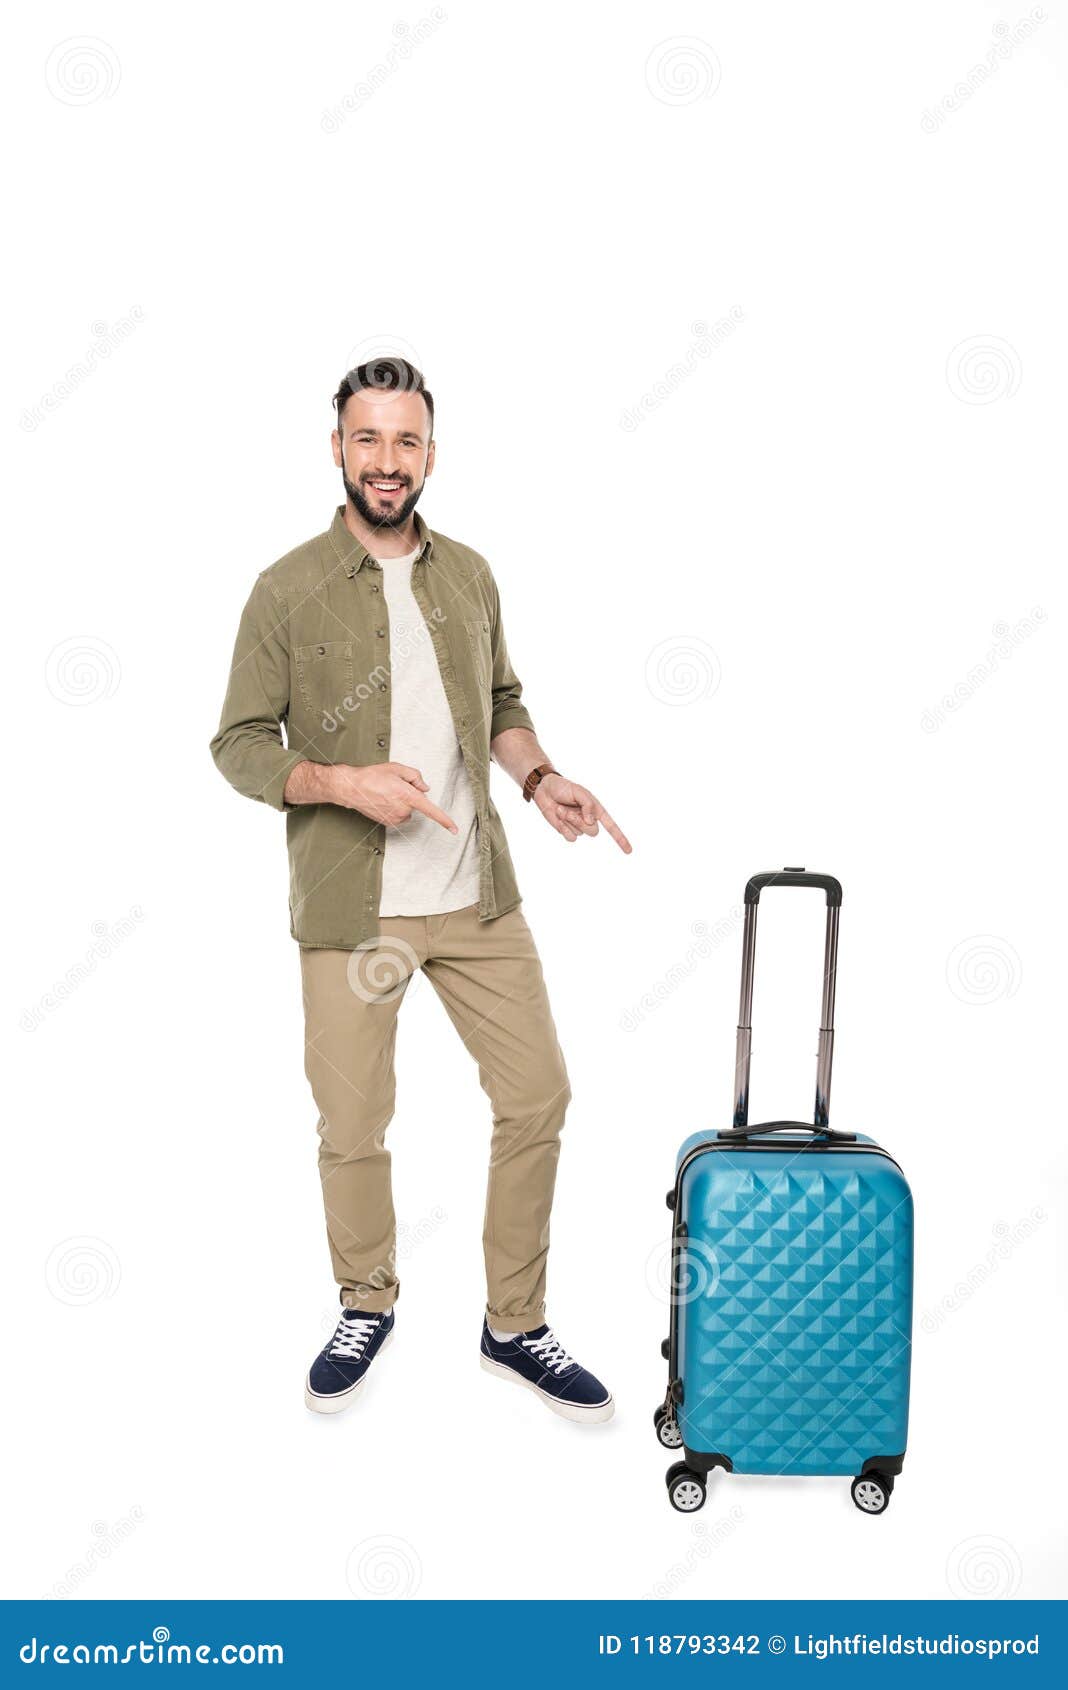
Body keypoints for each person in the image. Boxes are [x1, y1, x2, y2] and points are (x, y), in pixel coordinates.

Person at [210, 358, 631, 1421]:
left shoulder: (470, 575)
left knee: (538, 1095)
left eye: (406, 441)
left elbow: (502, 702)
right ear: (338, 449)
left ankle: (514, 1325)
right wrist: (342, 781)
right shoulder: (285, 587)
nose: (387, 461)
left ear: (431, 455)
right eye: (368, 439)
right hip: (353, 907)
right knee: (353, 1124)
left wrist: (540, 777)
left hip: (477, 895)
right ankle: (366, 1300)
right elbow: (239, 743)